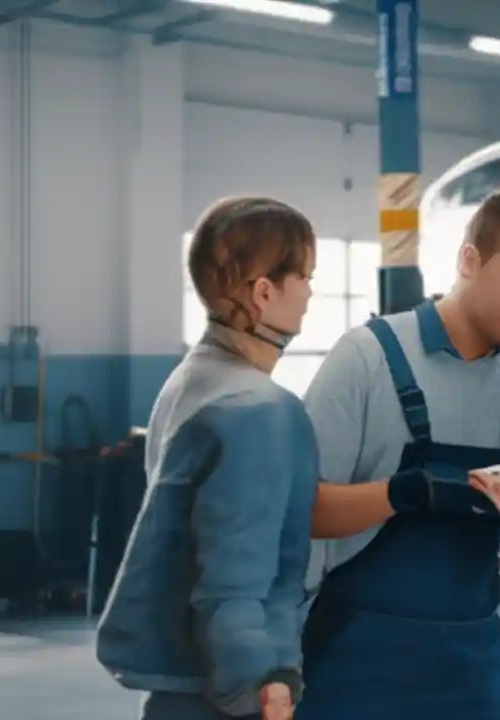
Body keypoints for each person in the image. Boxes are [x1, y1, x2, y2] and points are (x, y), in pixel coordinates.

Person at [295, 191, 500, 720]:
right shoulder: (366, 357)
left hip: (470, 673)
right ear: (469, 260)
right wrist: (401, 493)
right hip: (354, 662)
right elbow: (304, 511)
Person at [96, 196, 320, 720]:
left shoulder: (186, 384)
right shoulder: (260, 410)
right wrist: (261, 689)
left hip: (175, 692)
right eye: (305, 277)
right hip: (228, 694)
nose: (311, 292)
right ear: (265, 292)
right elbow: (233, 585)